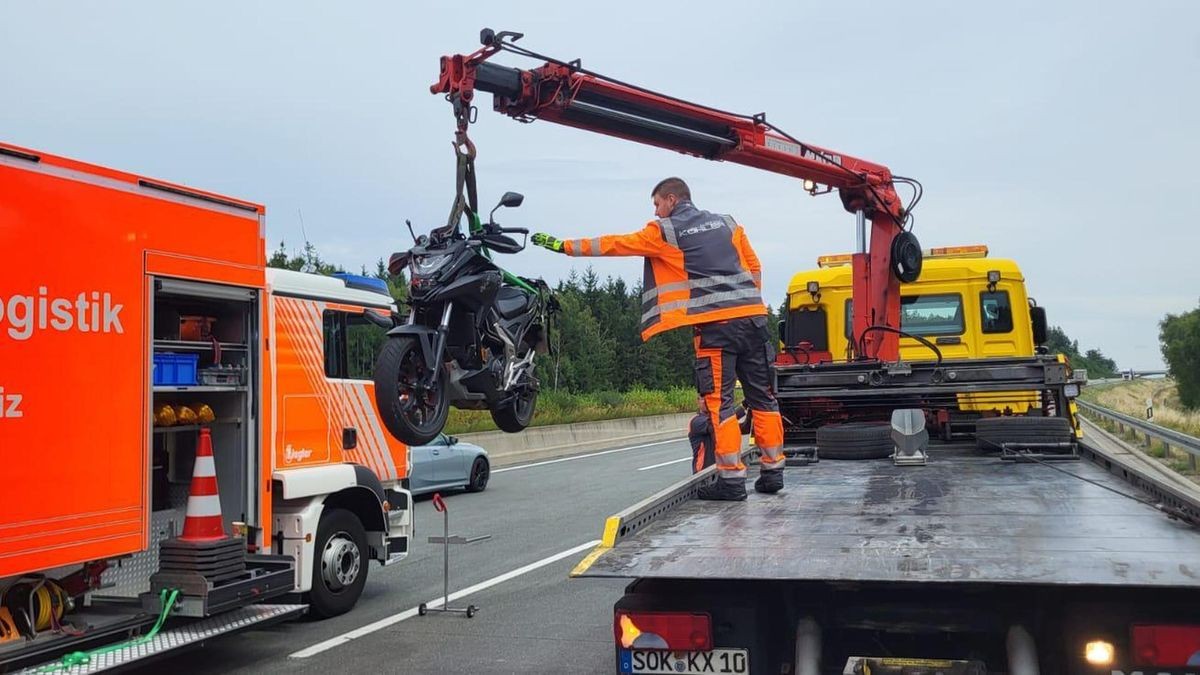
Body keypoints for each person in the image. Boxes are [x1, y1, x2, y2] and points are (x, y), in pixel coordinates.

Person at [531, 177, 785, 500]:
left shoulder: (665, 231)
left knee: (719, 404)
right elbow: (755, 266)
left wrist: (563, 246)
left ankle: (732, 481)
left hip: (716, 328)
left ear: (672, 199)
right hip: (754, 319)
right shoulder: (728, 224)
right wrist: (749, 301)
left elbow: (615, 244)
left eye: (656, 204)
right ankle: (773, 470)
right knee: (763, 398)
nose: (656, 211)